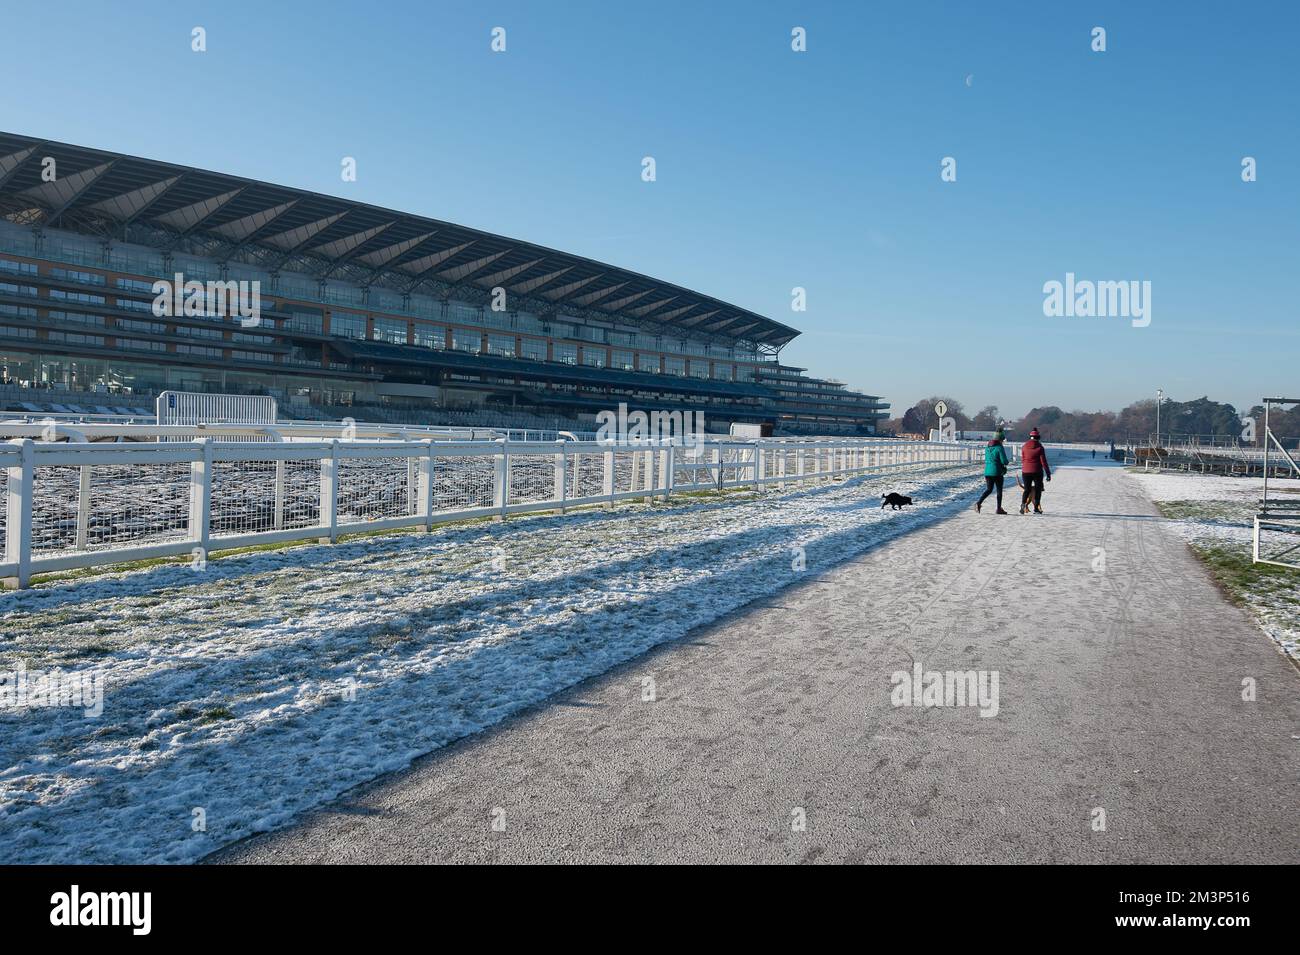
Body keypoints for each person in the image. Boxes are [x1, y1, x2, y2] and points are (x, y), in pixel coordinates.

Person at [976, 429, 1010, 514]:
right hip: (997, 472)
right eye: (1002, 440)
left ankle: (979, 503)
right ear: (1000, 440)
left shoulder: (987, 447)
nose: (1002, 442)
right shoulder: (999, 447)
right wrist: (1006, 463)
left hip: (987, 471)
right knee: (999, 490)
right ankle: (998, 508)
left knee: (989, 489)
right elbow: (1004, 461)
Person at [1019, 427, 1051, 514]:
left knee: (1027, 489)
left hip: (1025, 471)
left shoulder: (1024, 446)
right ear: (1038, 438)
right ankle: (1036, 508)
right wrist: (1048, 473)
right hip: (1037, 471)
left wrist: (1026, 466)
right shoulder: (1040, 447)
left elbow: (1023, 459)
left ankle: (1023, 504)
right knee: (1038, 489)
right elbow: (1043, 462)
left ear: (1030, 437)